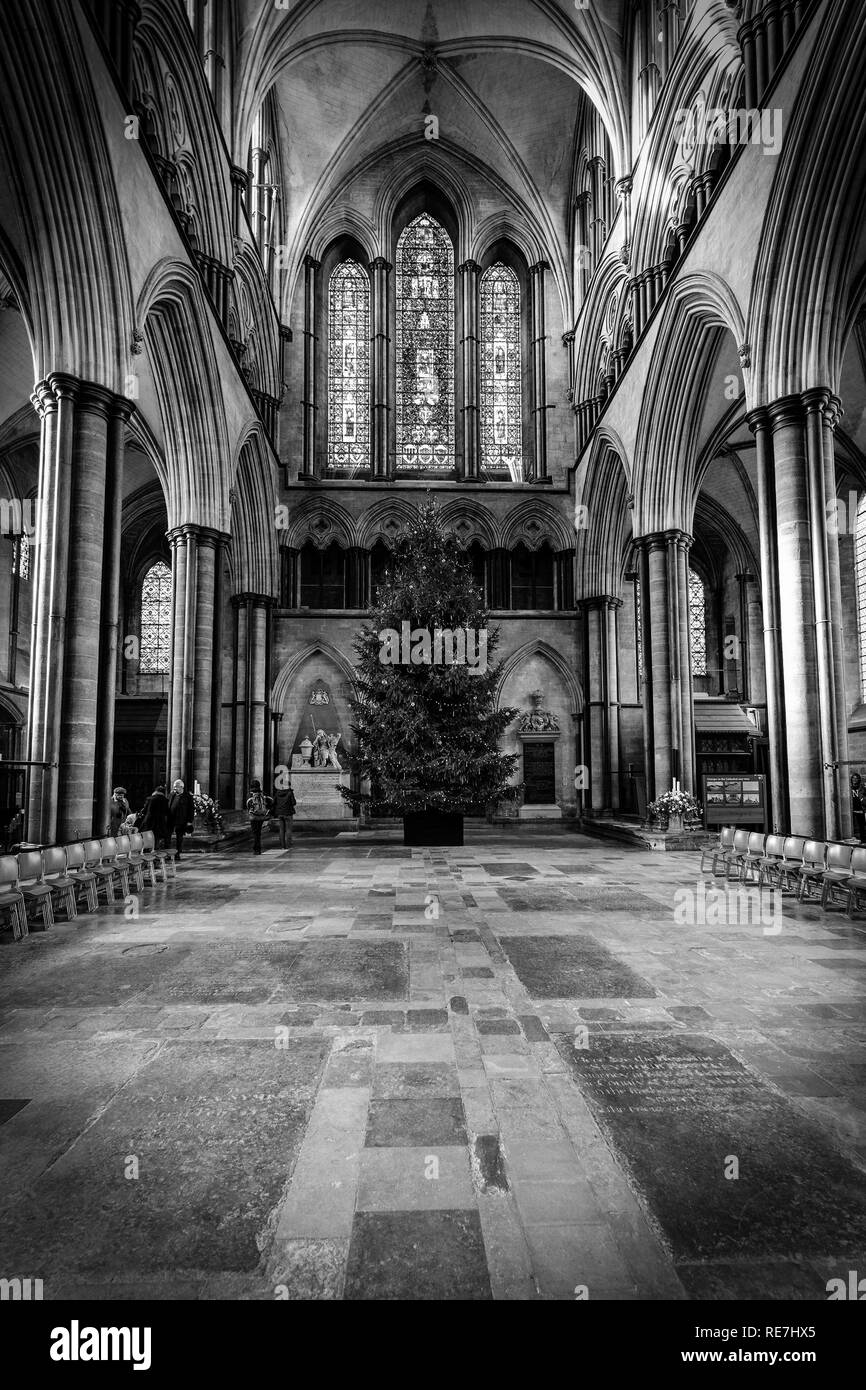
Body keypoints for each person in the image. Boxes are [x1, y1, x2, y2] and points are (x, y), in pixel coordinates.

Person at [168, 779, 195, 860]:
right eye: (174, 787)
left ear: (181, 787)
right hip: (171, 819)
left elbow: (191, 810)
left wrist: (189, 821)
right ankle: (168, 853)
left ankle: (177, 853)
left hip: (181, 820)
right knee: (167, 837)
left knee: (179, 838)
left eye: (176, 787)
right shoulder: (172, 795)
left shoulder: (187, 796)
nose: (174, 788)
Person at [246, 779, 273, 855]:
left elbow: (248, 804)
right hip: (261, 816)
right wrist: (268, 811)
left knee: (255, 833)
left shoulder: (250, 795)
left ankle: (256, 849)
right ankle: (258, 848)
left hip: (253, 817)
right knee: (258, 833)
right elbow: (271, 801)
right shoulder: (263, 794)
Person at [141, 783, 170, 847]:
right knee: (157, 836)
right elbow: (167, 811)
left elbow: (145, 810)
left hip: (149, 821)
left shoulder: (150, 799)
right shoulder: (165, 800)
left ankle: (147, 849)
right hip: (160, 821)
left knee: (148, 835)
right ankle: (156, 849)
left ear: (155, 791)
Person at [272, 778, 297, 850]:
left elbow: (273, 802)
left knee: (281, 829)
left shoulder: (277, 792)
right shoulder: (290, 793)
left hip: (280, 813)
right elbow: (293, 803)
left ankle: (282, 846)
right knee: (288, 829)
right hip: (288, 813)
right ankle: (288, 845)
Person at [852, 773, 866, 843]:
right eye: (853, 778)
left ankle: (863, 840)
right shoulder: (849, 787)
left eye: (856, 778)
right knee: (851, 826)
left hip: (860, 809)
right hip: (851, 809)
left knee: (862, 826)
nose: (854, 779)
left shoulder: (862, 788)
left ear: (859, 779)